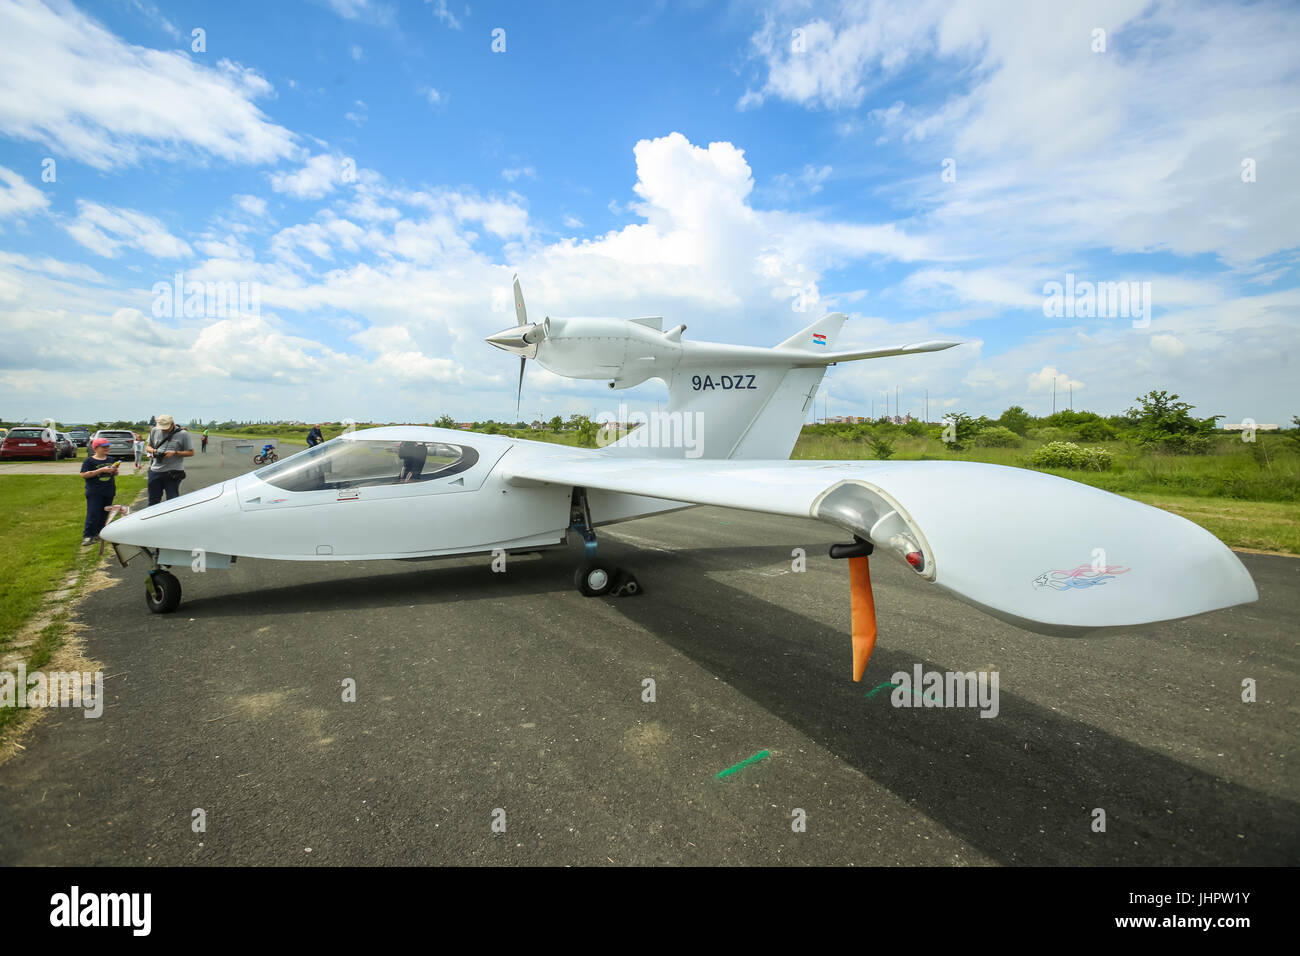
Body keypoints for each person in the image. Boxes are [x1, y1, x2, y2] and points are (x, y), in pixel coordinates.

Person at [145, 413, 194, 506]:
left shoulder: (183, 434)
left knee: (172, 501)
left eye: (165, 427)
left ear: (172, 424)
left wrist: (174, 453)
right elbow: (148, 446)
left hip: (173, 472)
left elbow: (191, 452)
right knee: (153, 501)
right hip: (155, 470)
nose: (163, 430)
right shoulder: (155, 431)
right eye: (161, 427)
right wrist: (154, 451)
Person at [81, 438, 119, 544]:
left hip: (108, 489)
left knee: (105, 513)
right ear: (96, 448)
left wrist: (114, 470)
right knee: (93, 513)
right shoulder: (89, 461)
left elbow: (115, 474)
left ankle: (100, 533)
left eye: (108, 446)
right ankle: (88, 535)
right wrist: (101, 470)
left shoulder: (111, 459)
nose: (107, 448)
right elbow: (84, 474)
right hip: (94, 491)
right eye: (104, 447)